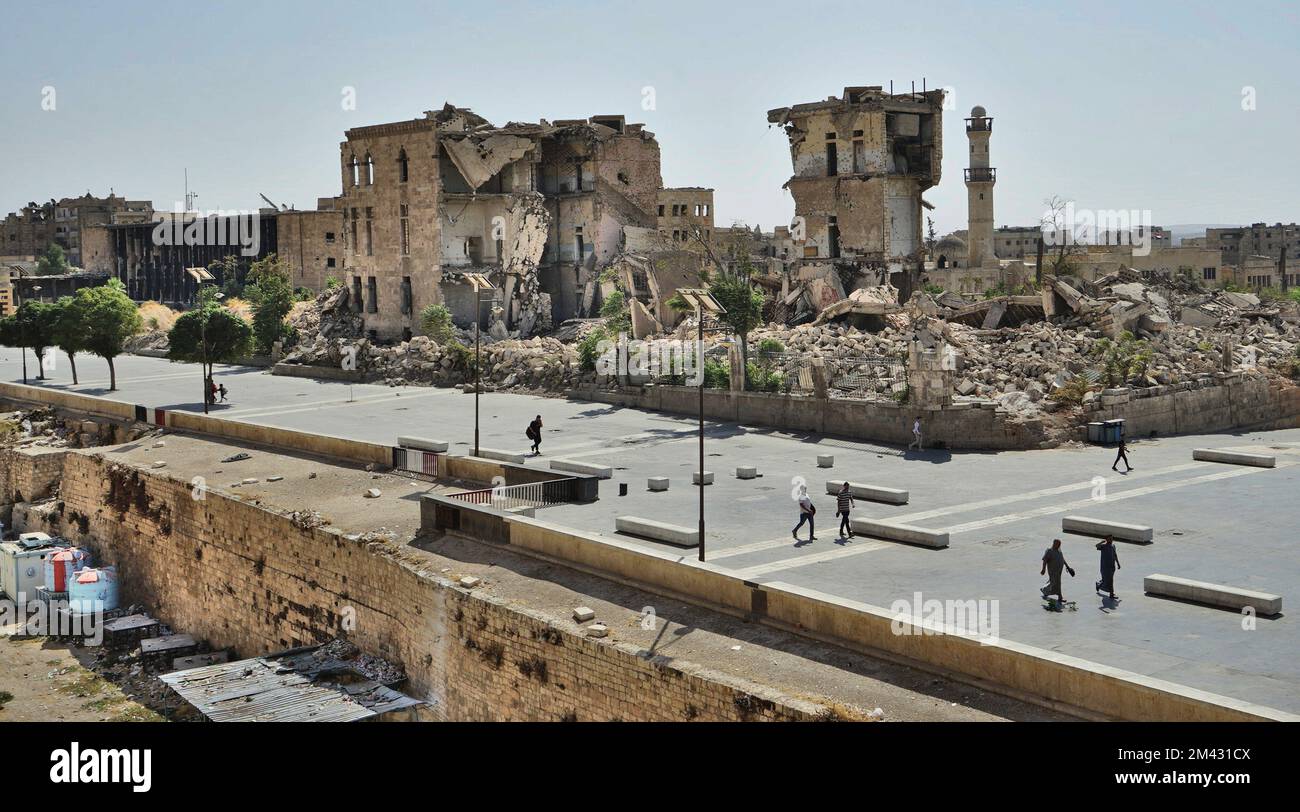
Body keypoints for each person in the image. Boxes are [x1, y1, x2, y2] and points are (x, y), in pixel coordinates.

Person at [1040, 538, 1075, 602]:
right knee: (1056, 583)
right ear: (1054, 544)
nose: (1059, 545)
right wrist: (1043, 569)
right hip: (1052, 570)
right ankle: (1060, 597)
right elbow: (1045, 560)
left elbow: (1063, 559)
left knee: (1054, 582)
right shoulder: (1049, 551)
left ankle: (1044, 589)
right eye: (1058, 544)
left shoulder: (1059, 551)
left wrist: (1068, 567)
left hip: (1059, 570)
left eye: (1059, 544)